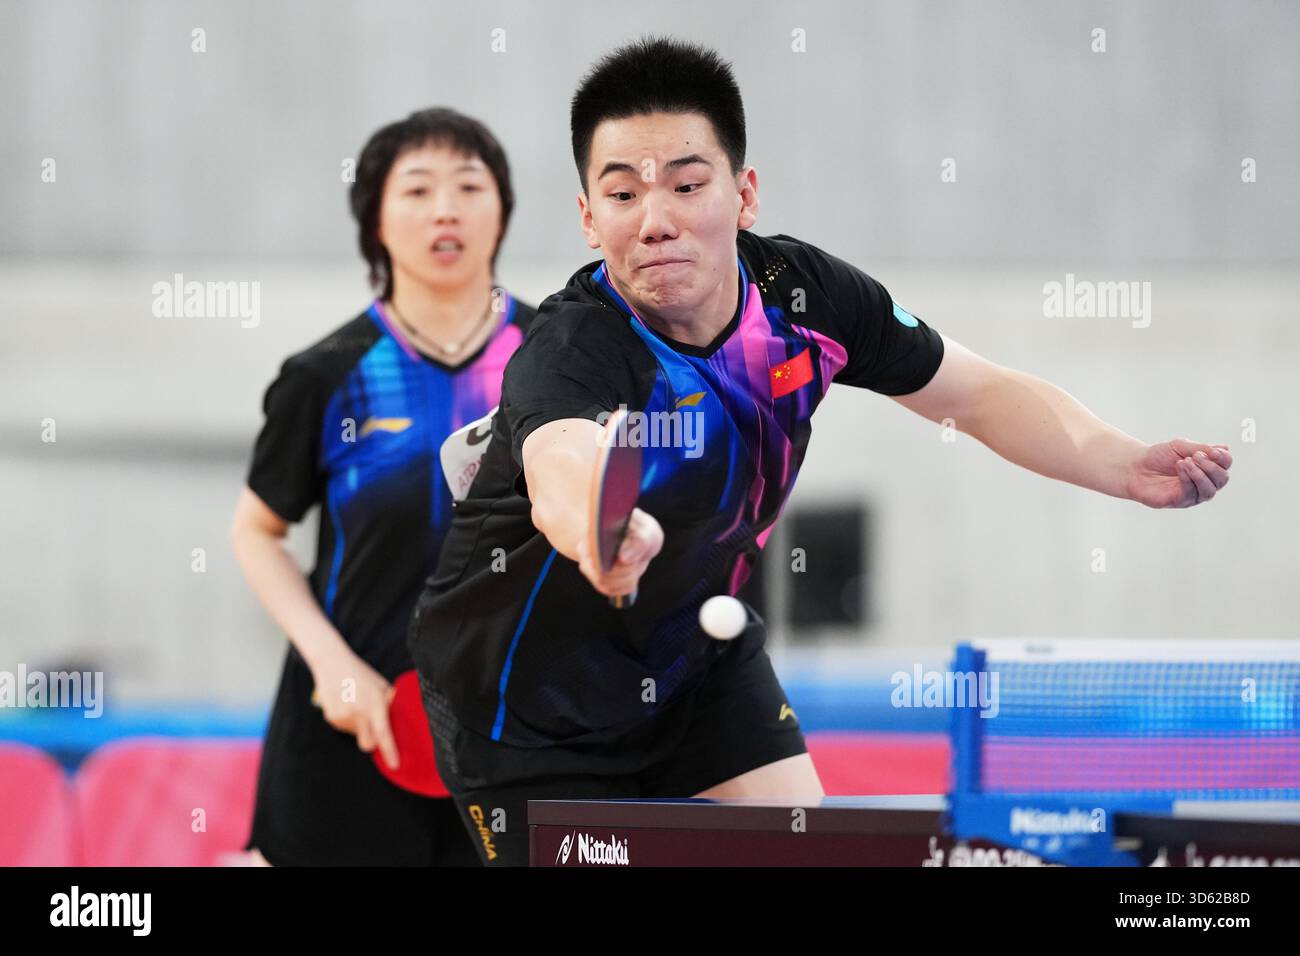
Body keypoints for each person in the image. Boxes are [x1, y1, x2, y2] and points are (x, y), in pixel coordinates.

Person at [409, 38, 1234, 867]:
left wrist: (1122, 464)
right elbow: (563, 464)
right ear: (590, 217)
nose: (656, 220)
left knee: (811, 858)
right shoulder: (568, 350)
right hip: (525, 708)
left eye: (688, 185)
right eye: (622, 193)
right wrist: (602, 529)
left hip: (695, 659)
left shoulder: (806, 301)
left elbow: (977, 394)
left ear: (745, 193)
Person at [231, 107, 536, 865]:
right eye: (417, 189)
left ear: (501, 212)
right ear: (374, 221)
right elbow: (256, 533)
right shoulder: (325, 375)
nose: (445, 209)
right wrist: (329, 663)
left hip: (521, 733)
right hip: (350, 729)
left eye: (470, 185)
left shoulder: (559, 361)